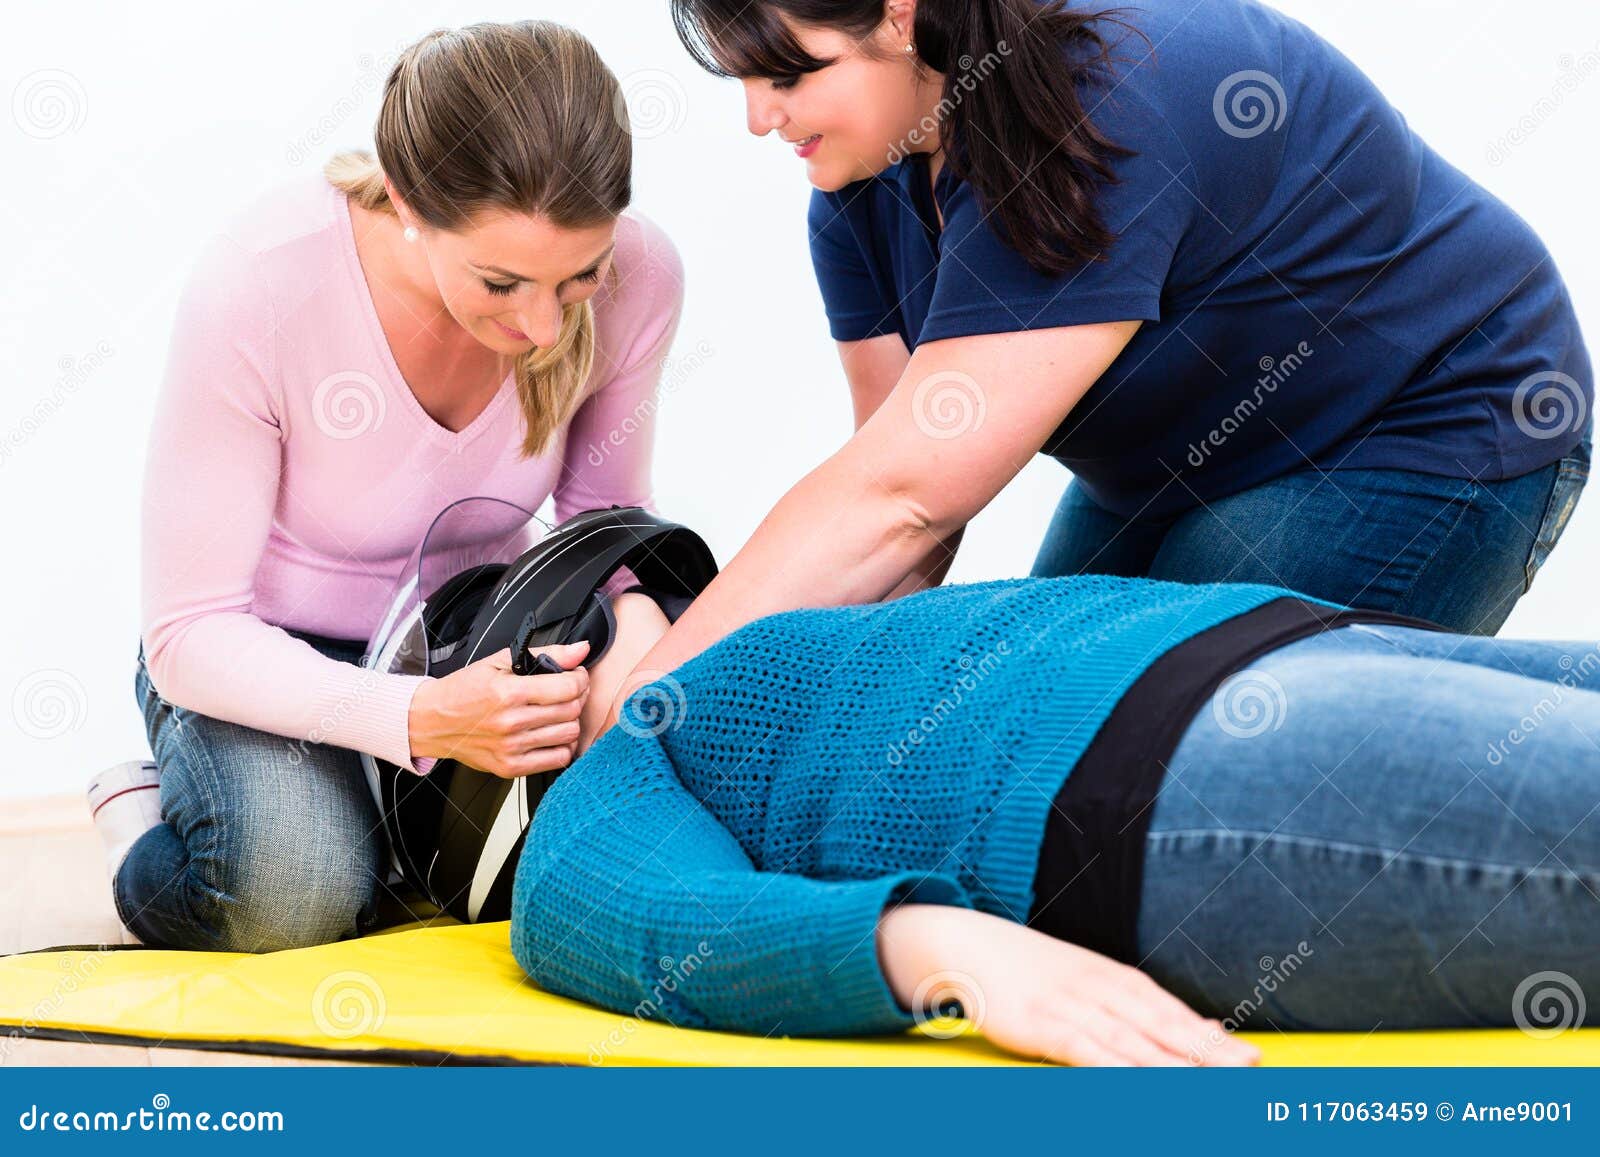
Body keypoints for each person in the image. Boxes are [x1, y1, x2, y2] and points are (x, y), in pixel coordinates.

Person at [601, 0, 1594, 732]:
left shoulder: (1107, 98)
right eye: (741, 79)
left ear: (900, 16)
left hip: (1423, 421)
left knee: (1165, 751)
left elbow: (901, 497)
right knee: (1017, 721)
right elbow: (895, 500)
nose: (756, 118)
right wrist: (820, 718)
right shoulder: (856, 197)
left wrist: (654, 698)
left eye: (791, 73)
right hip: (1175, 465)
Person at [88, 21, 687, 953]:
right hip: (262, 660)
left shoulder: (641, 274)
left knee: (626, 841)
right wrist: (417, 717)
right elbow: (189, 629)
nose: (539, 326)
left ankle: (384, 829)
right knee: (291, 901)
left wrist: (640, 628)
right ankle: (141, 811)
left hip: (469, 639)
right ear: (408, 201)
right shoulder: (263, 281)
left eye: (577, 279)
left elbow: (599, 521)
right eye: (501, 281)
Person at [514, 573, 1600, 1066]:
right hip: (1169, 772)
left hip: (1289, 646)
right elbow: (627, 912)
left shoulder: (755, 645)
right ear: (545, 660)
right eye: (609, 601)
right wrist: (942, 947)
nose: (638, 601)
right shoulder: (622, 757)